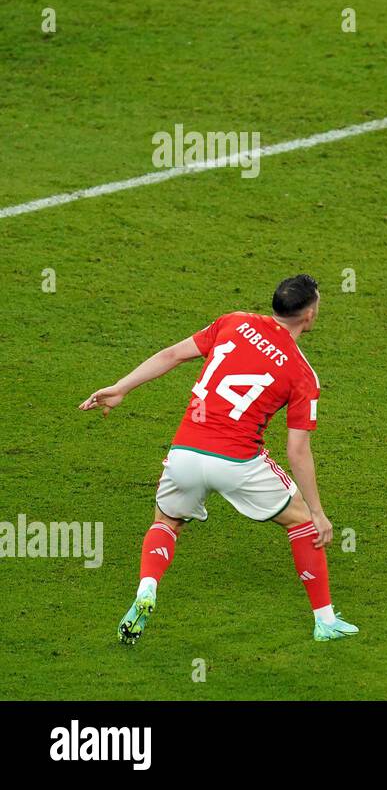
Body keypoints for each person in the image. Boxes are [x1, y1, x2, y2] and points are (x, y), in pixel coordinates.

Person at [78, 274, 357, 643]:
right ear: (309, 315)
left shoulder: (234, 322)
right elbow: (297, 450)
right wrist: (320, 512)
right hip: (238, 463)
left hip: (186, 454)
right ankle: (324, 621)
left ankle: (147, 588)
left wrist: (121, 388)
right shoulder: (301, 373)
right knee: (303, 520)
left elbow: (172, 355)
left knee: (167, 521)